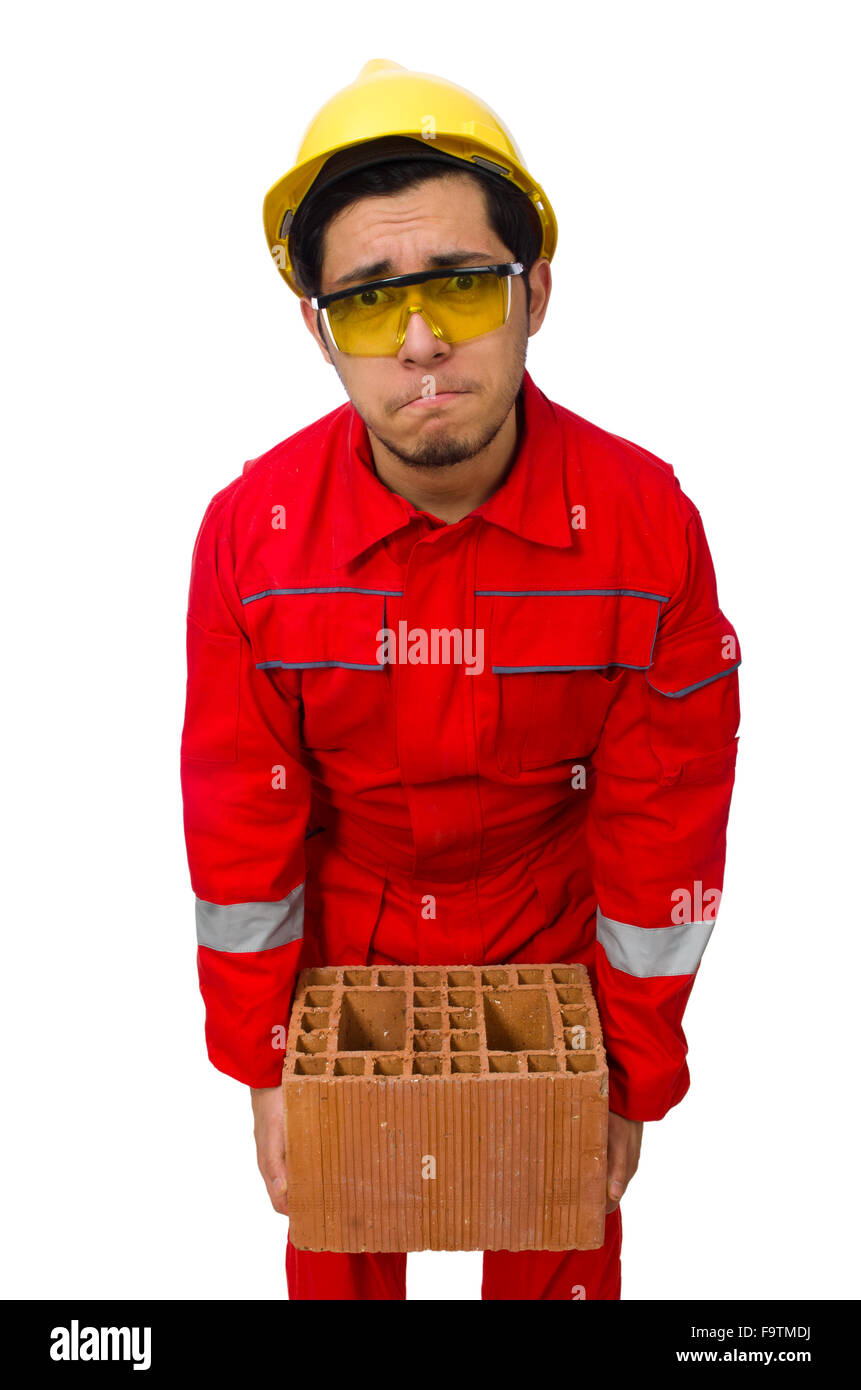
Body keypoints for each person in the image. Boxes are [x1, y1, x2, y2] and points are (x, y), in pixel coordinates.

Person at [180, 59, 741, 1300]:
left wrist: (629, 1068)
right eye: (373, 303)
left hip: (555, 942)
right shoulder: (254, 538)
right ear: (318, 328)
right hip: (344, 954)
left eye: (460, 288)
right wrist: (270, 1062)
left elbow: (665, 823)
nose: (423, 341)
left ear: (534, 290)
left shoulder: (645, 530)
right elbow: (240, 831)